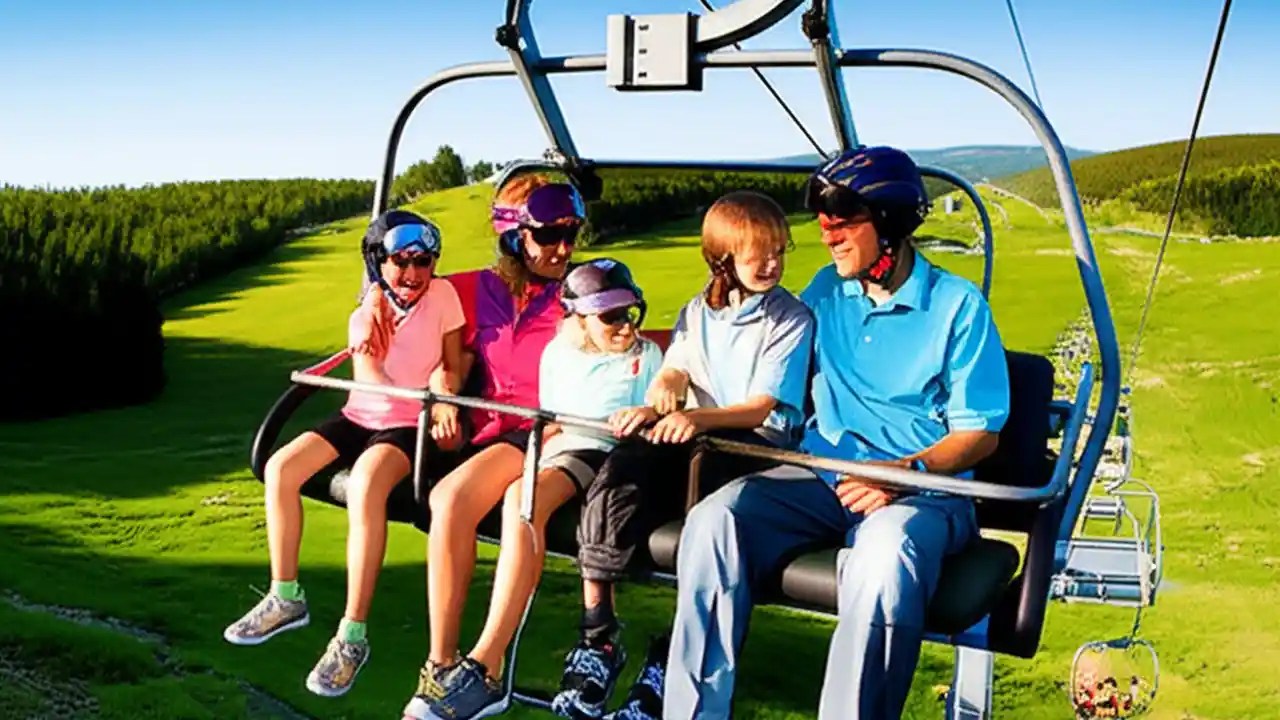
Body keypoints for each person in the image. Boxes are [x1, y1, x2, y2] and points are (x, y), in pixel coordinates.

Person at [663, 146, 1012, 720]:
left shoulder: (956, 307)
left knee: (881, 562)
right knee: (712, 522)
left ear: (890, 223)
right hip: (822, 479)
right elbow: (747, 333)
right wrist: (676, 371)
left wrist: (904, 474)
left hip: (920, 490)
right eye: (824, 224)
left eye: (843, 223)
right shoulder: (826, 292)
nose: (828, 237)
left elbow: (979, 434)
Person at [552, 191, 814, 720]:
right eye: (757, 254)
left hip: (753, 443)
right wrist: (667, 387)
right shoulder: (700, 311)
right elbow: (678, 366)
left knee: (708, 498)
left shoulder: (790, 318)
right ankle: (599, 634)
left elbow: (762, 406)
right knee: (621, 467)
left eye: (778, 253)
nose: (772, 265)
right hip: (696, 435)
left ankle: (670, 660)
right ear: (722, 259)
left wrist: (693, 418)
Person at [403, 259, 663, 720]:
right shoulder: (558, 354)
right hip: (556, 438)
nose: (624, 326)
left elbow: (640, 419)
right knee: (466, 497)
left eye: (631, 313)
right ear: (579, 320)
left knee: (523, 503)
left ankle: (486, 662)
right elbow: (555, 412)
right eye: (610, 317)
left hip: (597, 451)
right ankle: (445, 661)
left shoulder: (645, 359)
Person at [223, 210, 465, 698]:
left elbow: (453, 360)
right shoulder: (366, 313)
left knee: (366, 484)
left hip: (406, 425)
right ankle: (285, 595)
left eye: (425, 262)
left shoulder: (443, 296)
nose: (415, 274)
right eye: (402, 262)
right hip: (363, 415)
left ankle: (352, 635)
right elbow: (370, 377)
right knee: (280, 468)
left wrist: (444, 387)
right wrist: (415, 382)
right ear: (380, 263)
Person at [396, 175, 583, 716]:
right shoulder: (473, 292)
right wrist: (444, 395)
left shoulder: (579, 293)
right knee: (448, 500)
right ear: (512, 237)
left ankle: (488, 666)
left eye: (571, 233)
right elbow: (432, 341)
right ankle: (441, 664)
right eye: (549, 235)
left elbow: (621, 342)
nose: (564, 249)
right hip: (497, 430)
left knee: (507, 505)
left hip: (551, 427)